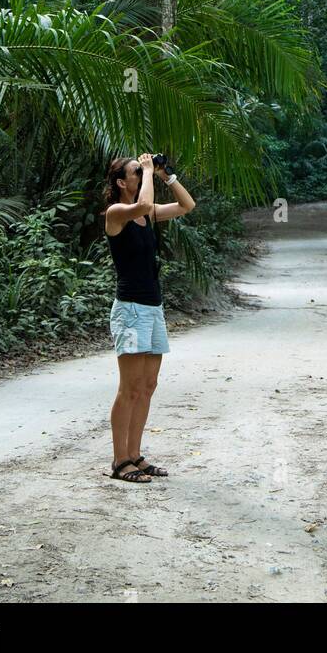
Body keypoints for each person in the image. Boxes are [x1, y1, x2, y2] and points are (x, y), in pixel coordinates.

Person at [103, 152, 196, 483]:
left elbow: (187, 206)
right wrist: (146, 169)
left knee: (148, 386)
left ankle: (135, 455)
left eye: (141, 172)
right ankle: (118, 461)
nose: (141, 176)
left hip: (153, 309)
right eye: (134, 173)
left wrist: (164, 175)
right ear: (121, 183)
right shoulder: (117, 214)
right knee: (128, 387)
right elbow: (141, 207)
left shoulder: (148, 214)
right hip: (130, 310)